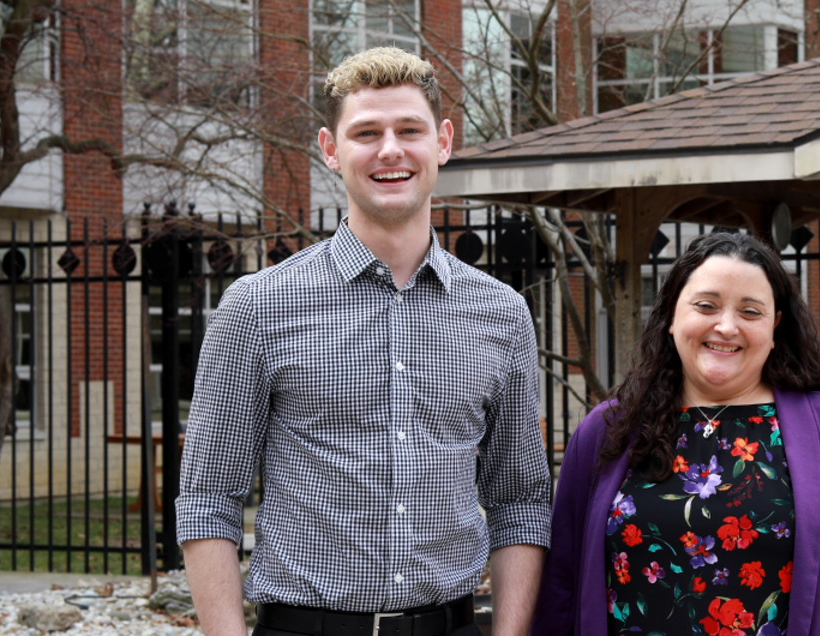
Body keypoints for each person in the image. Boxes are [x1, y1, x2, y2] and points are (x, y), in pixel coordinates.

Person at [177, 47, 551, 636]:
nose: (390, 150)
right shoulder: (256, 306)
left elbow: (520, 501)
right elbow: (207, 497)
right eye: (366, 132)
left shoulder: (502, 313)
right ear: (331, 149)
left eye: (409, 129)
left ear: (443, 141)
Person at [531, 232, 820, 636]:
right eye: (706, 306)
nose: (726, 326)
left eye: (751, 312)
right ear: (671, 316)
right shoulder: (607, 430)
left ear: (775, 327)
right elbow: (561, 589)